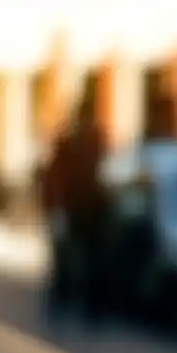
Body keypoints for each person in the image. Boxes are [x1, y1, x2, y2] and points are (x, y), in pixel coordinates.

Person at [41, 87, 110, 322]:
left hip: (80, 208)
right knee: (81, 260)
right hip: (82, 208)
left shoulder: (78, 141)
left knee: (75, 259)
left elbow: (57, 177)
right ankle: (76, 304)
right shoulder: (89, 141)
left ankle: (70, 303)